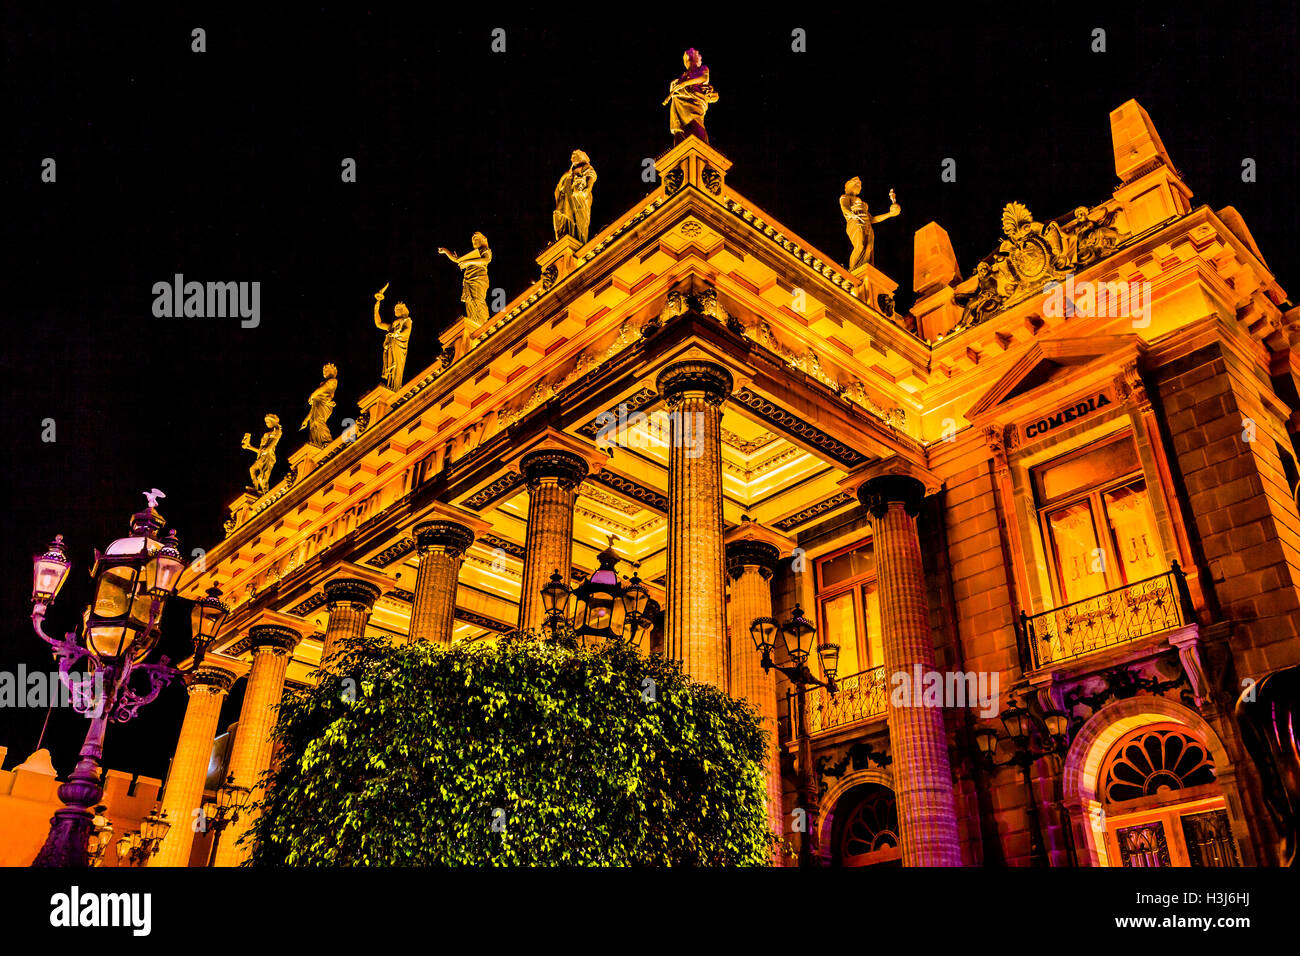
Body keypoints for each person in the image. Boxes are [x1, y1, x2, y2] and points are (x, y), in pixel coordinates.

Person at [840, 177, 900, 270]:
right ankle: (852, 270)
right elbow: (844, 208)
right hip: (855, 223)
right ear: (850, 185)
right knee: (859, 246)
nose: (860, 186)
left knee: (868, 249)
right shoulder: (845, 197)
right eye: (857, 184)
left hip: (867, 225)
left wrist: (890, 214)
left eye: (860, 185)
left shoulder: (864, 205)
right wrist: (853, 215)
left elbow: (872, 219)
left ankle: (863, 270)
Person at [438, 233, 492, 330]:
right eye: (473, 240)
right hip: (468, 280)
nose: (474, 241)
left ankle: (484, 323)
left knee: (478, 300)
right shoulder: (471, 255)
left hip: (478, 278)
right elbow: (457, 260)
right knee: (470, 302)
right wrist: (445, 251)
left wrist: (468, 262)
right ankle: (475, 324)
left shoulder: (484, 250)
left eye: (476, 239)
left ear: (482, 240)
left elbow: (486, 260)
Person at [665, 48, 717, 144]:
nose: (687, 59)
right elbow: (674, 88)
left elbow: (703, 77)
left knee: (695, 126)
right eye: (686, 58)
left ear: (696, 58)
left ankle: (701, 148)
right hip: (679, 104)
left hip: (695, 101)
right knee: (680, 132)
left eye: (690, 56)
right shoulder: (682, 76)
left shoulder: (702, 68)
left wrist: (685, 83)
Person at [553, 150, 598, 244]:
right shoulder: (569, 171)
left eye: (574, 155)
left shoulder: (585, 166)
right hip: (565, 198)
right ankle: (562, 236)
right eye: (571, 156)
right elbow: (558, 189)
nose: (571, 158)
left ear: (580, 156)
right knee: (559, 215)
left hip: (577, 198)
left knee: (576, 219)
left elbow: (591, 176)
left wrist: (587, 189)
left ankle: (575, 238)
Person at [373, 286, 412, 389]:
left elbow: (406, 332)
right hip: (391, 347)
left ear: (403, 310)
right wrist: (377, 307)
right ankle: (390, 386)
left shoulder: (406, 320)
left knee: (397, 367)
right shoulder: (392, 326)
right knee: (390, 368)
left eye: (398, 309)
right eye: (395, 309)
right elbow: (379, 324)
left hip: (399, 347)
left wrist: (396, 334)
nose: (395, 311)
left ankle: (394, 387)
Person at [241, 413, 281, 494]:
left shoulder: (276, 432)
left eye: (268, 422)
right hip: (261, 456)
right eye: (266, 422)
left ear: (273, 422)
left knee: (262, 478)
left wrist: (266, 449)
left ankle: (265, 492)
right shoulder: (267, 434)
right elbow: (261, 450)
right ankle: (256, 488)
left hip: (268, 457)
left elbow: (271, 445)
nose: (267, 424)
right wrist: (249, 447)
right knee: (252, 470)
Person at [300, 364, 338, 447]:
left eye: (326, 369)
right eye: (324, 370)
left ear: (332, 371)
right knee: (313, 424)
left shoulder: (333, 380)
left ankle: (326, 440)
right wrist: (306, 420)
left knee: (318, 420)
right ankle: (317, 443)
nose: (324, 371)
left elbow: (324, 387)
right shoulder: (322, 384)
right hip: (318, 404)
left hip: (324, 404)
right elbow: (313, 408)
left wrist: (313, 394)